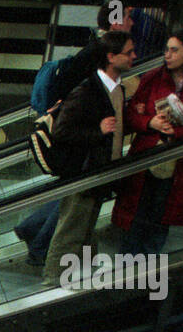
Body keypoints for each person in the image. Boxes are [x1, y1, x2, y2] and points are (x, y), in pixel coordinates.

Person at [17, 0, 135, 265]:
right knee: (75, 205)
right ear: (115, 22)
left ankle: (33, 231)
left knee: (74, 202)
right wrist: (97, 130)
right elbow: (80, 104)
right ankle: (41, 252)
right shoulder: (97, 56)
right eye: (128, 16)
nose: (132, 22)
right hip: (82, 144)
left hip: (85, 142)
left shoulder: (95, 49)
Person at [41, 31, 137, 289]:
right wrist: (99, 131)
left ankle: (78, 278)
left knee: (84, 231)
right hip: (84, 173)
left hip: (101, 171)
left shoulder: (117, 89)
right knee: (71, 231)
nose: (133, 57)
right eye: (128, 52)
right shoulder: (87, 91)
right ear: (110, 57)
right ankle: (51, 284)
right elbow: (62, 131)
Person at [112, 28, 183, 255]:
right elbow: (131, 115)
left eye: (174, 50)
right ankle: (127, 263)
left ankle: (147, 264)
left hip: (180, 164)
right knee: (136, 211)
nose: (167, 55)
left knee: (162, 214)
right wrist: (150, 122)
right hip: (146, 158)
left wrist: (176, 133)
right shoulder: (152, 78)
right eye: (166, 50)